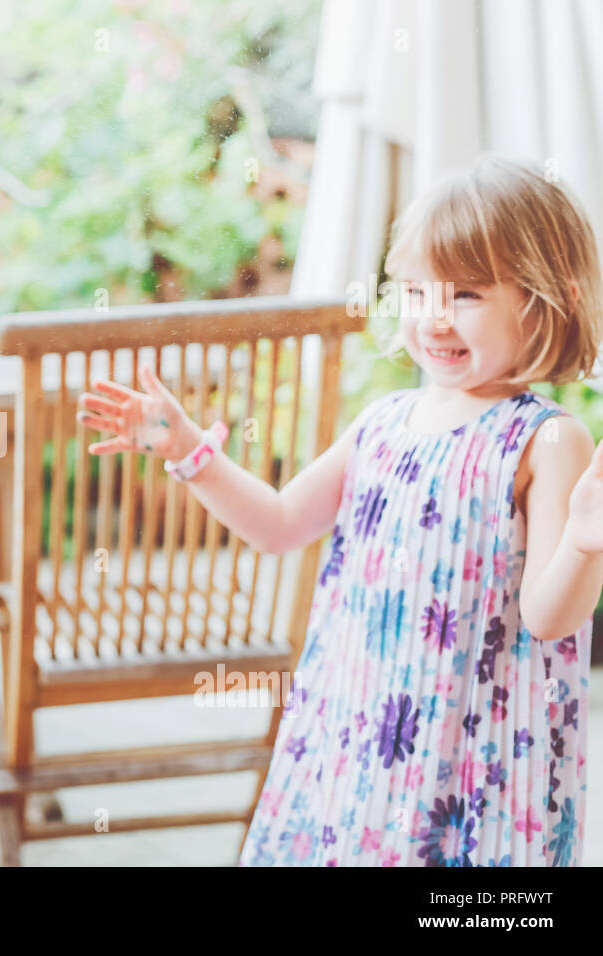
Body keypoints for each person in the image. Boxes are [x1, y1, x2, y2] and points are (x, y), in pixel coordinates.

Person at [79, 156, 603, 866]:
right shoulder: (383, 422)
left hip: (474, 762)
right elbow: (278, 523)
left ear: (545, 301)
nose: (434, 317)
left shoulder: (545, 440)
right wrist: (189, 451)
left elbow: (550, 618)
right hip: (358, 740)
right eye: (417, 291)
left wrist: (584, 542)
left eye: (468, 294)